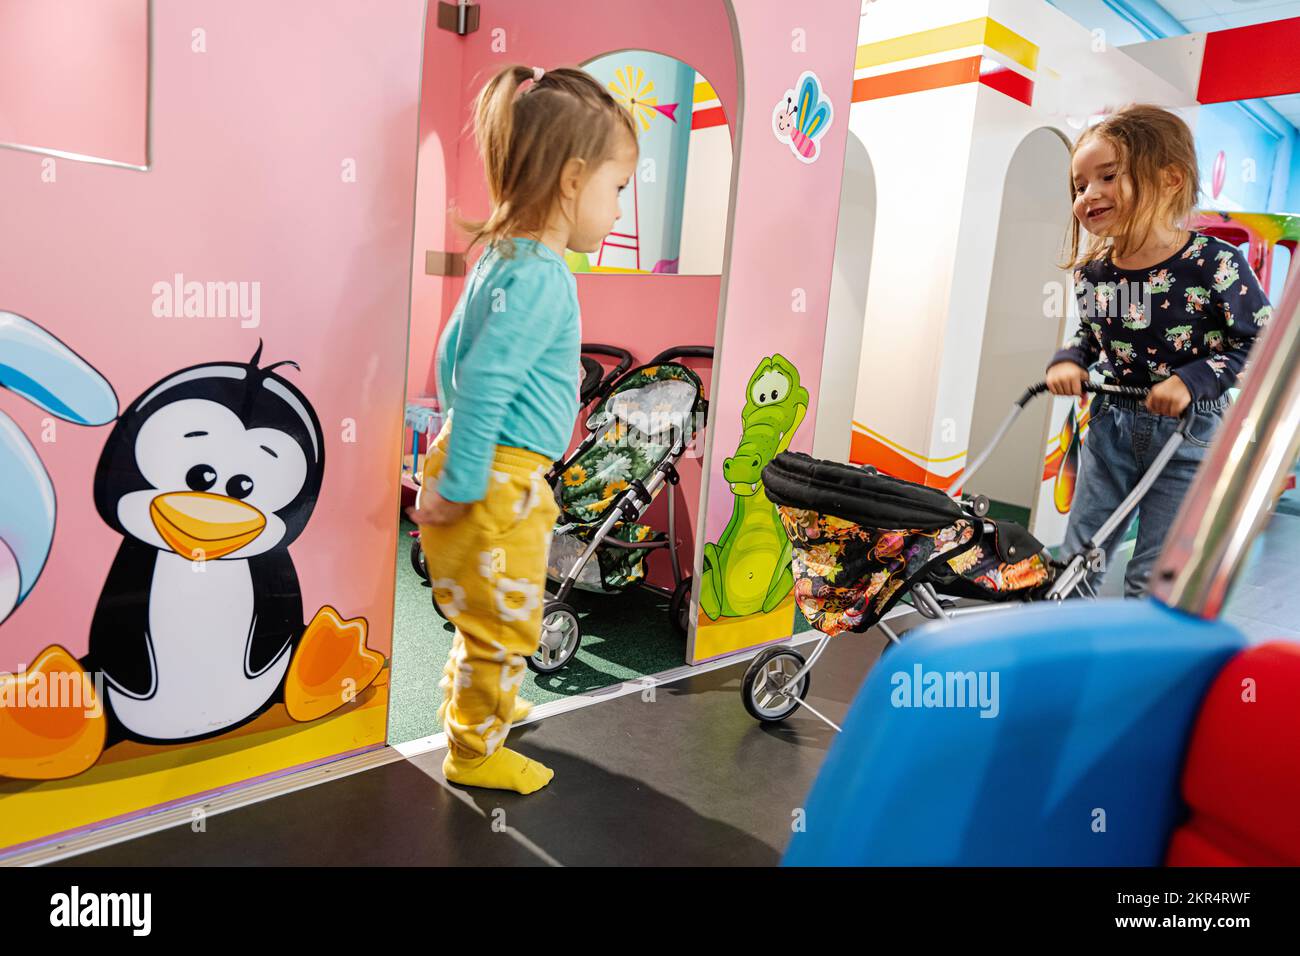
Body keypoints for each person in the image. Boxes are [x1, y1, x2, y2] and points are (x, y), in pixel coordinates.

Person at [406, 65, 637, 793]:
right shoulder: (541, 275)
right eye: (617, 187)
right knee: (505, 626)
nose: (618, 207)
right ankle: (472, 753)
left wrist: (448, 460)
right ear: (573, 181)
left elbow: (452, 362)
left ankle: (482, 707)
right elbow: (484, 380)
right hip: (497, 481)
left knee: (489, 613)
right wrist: (468, 480)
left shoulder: (503, 258)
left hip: (486, 471)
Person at [1046, 104, 1270, 597]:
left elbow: (1259, 343)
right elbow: (1094, 334)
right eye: (1079, 186)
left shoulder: (1215, 263)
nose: (1088, 196)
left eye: (1107, 177)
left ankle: (1141, 670)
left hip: (1190, 433)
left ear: (1169, 179)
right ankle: (1058, 661)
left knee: (1153, 572)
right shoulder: (1095, 272)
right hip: (1110, 425)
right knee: (1078, 559)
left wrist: (1191, 381)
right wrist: (1071, 358)